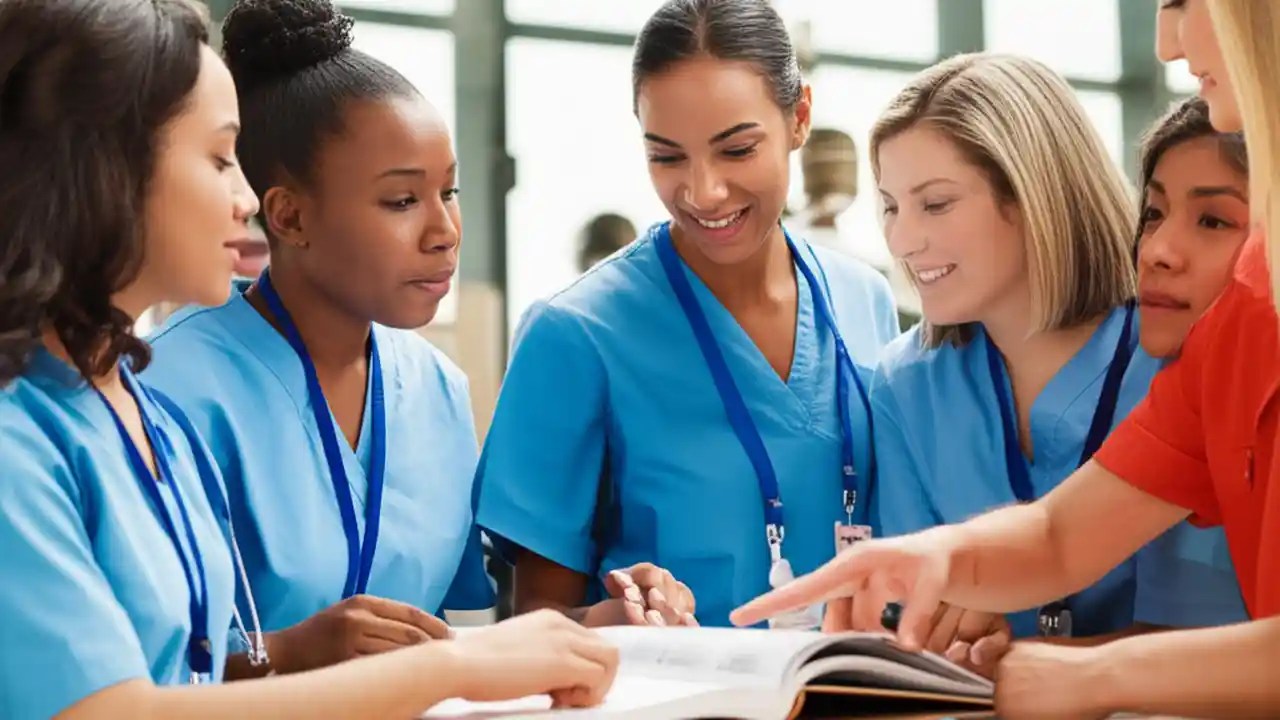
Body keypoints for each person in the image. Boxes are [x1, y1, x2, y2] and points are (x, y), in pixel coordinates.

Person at [0, 1, 618, 718]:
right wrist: (443, 668)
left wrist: (577, 635)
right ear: (104, 167)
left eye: (448, 192)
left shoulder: (135, 414)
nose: (244, 200)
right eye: (220, 158)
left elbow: (191, 671)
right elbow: (108, 708)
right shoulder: (42, 430)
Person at [732, 1, 1280, 717]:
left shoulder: (1187, 344)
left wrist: (1087, 673)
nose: (1167, 41)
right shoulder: (1230, 329)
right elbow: (1058, 535)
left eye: (1214, 221)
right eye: (893, 206)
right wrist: (937, 560)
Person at [140, 0, 686, 680]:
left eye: (449, 192)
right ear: (288, 215)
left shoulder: (435, 389)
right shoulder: (169, 389)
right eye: (402, 201)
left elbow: (452, 641)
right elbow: (133, 670)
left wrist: (603, 624)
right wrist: (288, 653)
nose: (444, 231)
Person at [476, 0, 900, 630]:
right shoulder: (576, 334)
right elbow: (534, 626)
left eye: (737, 150)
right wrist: (619, 616)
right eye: (668, 157)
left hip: (855, 688)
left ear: (799, 118)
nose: (703, 192)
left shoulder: (864, 299)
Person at [865, 55, 1246, 658]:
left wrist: (1028, 660)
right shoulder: (902, 387)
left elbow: (1213, 637)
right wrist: (961, 636)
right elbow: (915, 620)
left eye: (934, 205)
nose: (901, 241)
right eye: (890, 206)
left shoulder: (1181, 359)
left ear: (1033, 194)